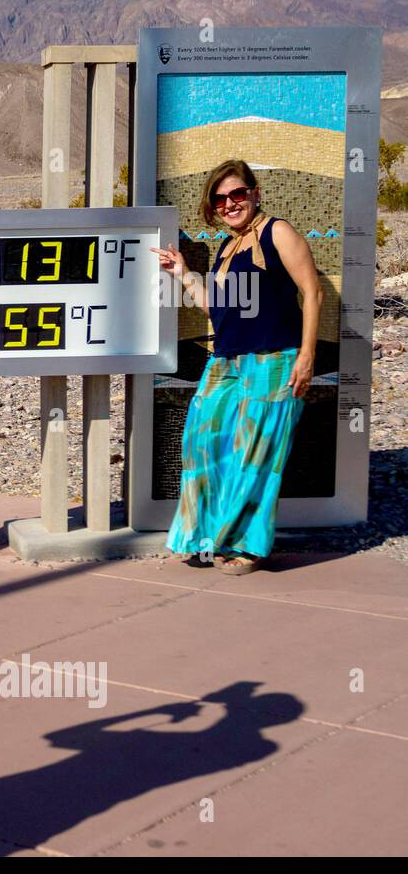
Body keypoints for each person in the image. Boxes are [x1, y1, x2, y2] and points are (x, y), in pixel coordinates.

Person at [151, 158, 320, 575]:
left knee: (254, 456)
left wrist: (307, 355)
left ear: (255, 193)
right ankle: (204, 539)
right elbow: (220, 308)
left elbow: (313, 292)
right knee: (202, 443)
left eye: (237, 194)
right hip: (226, 362)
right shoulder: (228, 246)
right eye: (221, 199)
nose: (230, 204)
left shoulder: (276, 232)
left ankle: (248, 547)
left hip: (274, 360)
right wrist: (185, 274)